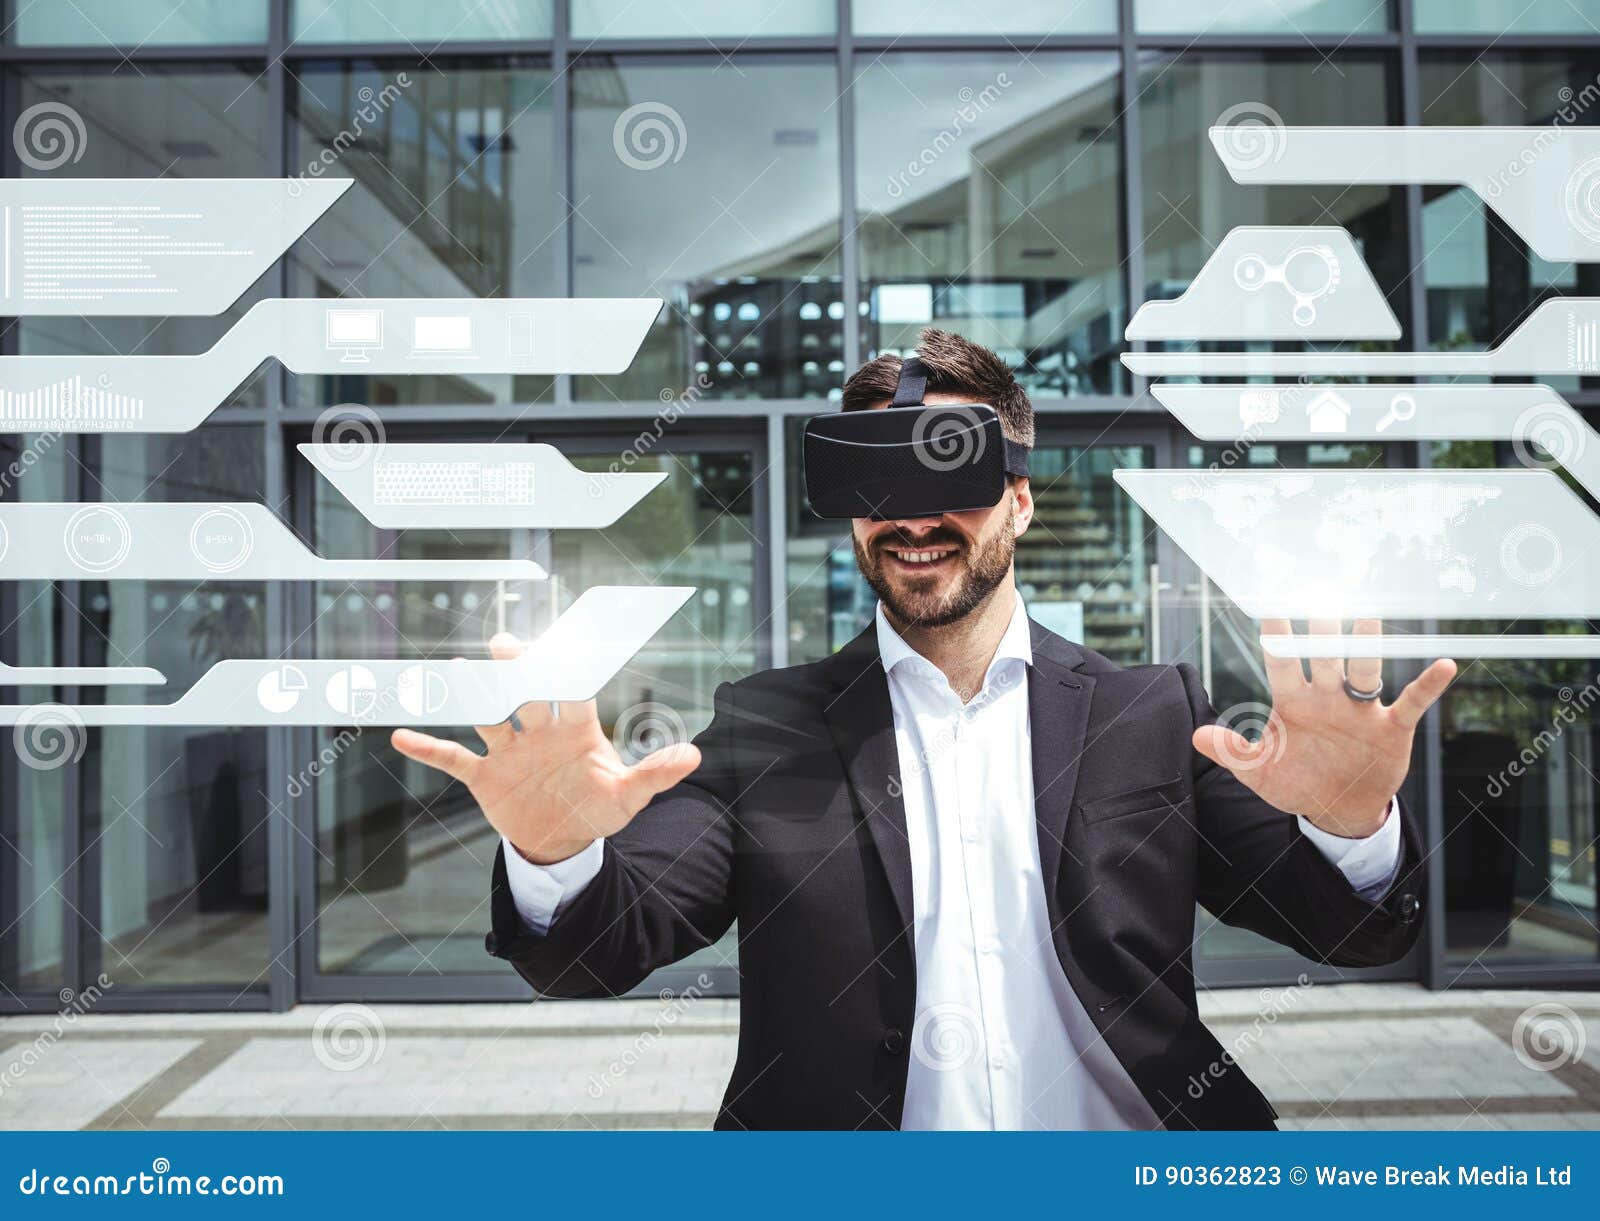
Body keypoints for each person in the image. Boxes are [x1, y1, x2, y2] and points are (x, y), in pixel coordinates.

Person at [392, 328, 1456, 1130]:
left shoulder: (1152, 714)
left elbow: (1352, 933)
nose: (908, 517)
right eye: (872, 482)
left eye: (945, 471)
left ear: (1020, 501)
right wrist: (554, 852)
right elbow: (597, 954)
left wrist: (1353, 824)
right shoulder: (765, 729)